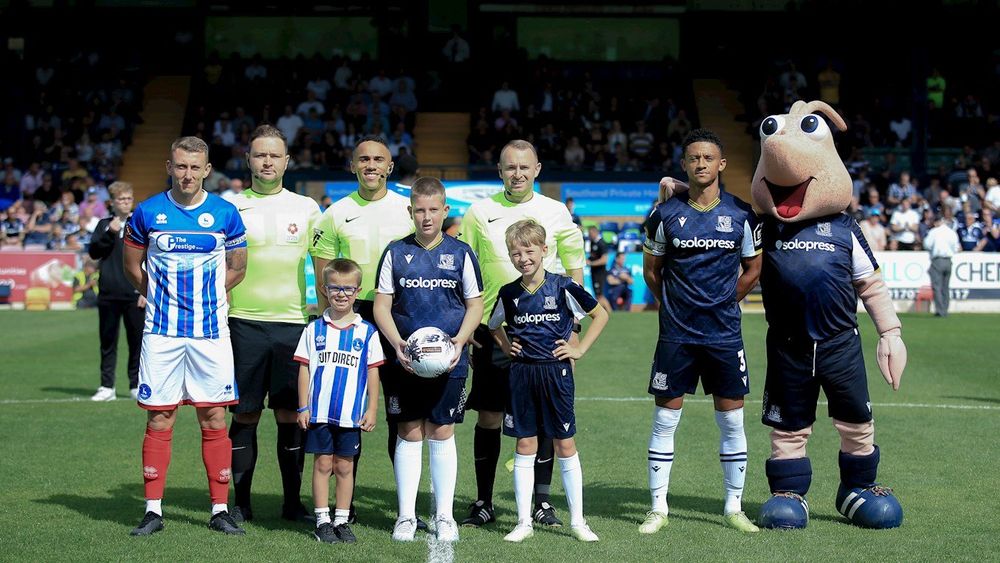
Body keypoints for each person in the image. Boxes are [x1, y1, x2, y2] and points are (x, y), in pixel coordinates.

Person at [123, 136, 248, 536]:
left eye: (195, 167)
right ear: (169, 166)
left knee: (213, 415)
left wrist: (208, 299)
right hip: (161, 333)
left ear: (207, 170)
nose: (187, 174)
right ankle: (153, 510)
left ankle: (219, 510)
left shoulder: (227, 214)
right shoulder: (147, 213)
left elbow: (238, 267)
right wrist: (161, 298)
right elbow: (132, 268)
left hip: (210, 334)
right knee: (160, 418)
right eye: (180, 166)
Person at [458, 139, 586, 528]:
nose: (517, 174)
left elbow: (575, 271)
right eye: (509, 167)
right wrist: (468, 326)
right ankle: (483, 501)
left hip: (548, 334)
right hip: (495, 331)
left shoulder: (556, 213)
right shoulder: (479, 212)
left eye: (524, 167)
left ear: (537, 169)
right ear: (499, 171)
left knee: (544, 419)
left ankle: (541, 502)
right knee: (490, 417)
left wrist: (575, 332)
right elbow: (465, 271)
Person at [640, 129, 762, 534]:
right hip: (677, 334)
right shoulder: (664, 215)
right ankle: (658, 507)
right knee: (664, 420)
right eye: (694, 158)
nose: (701, 164)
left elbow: (753, 268)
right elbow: (651, 271)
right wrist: (675, 303)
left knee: (731, 423)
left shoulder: (742, 214)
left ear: (721, 164)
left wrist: (727, 300)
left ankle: (733, 506)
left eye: (709, 158)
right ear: (684, 165)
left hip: (724, 334)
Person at [373, 177, 484, 542]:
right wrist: (398, 345)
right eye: (419, 210)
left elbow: (475, 305)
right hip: (405, 360)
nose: (426, 217)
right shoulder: (394, 252)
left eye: (433, 210)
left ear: (445, 211)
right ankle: (406, 516)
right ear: (410, 211)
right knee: (408, 430)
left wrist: (458, 343)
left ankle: (444, 515)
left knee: (442, 429)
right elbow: (382, 306)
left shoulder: (462, 253)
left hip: (449, 361)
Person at [312, 135, 414, 523]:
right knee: (346, 410)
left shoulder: (407, 207)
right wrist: (333, 323)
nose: (371, 165)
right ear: (352, 165)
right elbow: (323, 269)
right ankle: (344, 506)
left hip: (398, 316)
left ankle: (404, 506)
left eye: (379, 160)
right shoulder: (335, 213)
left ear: (390, 166)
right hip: (350, 317)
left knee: (398, 412)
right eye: (363, 159)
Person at [487, 219, 608, 542]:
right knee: (524, 444)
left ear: (544, 250)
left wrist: (578, 347)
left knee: (564, 443)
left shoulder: (563, 286)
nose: (523, 258)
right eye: (516, 253)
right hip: (522, 374)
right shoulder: (509, 293)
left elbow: (601, 314)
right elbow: (493, 324)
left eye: (529, 251)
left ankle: (578, 522)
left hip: (556, 373)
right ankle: (524, 522)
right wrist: (504, 344)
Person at [226, 125, 323, 524]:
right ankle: (240, 502)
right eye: (259, 155)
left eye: (274, 155)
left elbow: (323, 264)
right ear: (248, 160)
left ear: (286, 161)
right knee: (245, 414)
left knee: (290, 415)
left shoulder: (307, 208)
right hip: (241, 324)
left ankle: (292, 503)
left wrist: (324, 314)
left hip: (293, 325)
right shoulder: (228, 206)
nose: (266, 161)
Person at [295, 259, 383, 544]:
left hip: (350, 415)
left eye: (348, 289)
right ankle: (322, 520)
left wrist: (371, 408)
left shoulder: (367, 332)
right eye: (335, 288)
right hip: (319, 412)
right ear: (324, 289)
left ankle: (342, 520)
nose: (341, 294)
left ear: (358, 292)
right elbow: (304, 368)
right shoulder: (313, 330)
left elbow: (373, 371)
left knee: (345, 466)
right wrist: (303, 407)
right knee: (322, 464)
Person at [88, 181, 145, 401]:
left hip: (134, 294)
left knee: (137, 342)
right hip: (108, 294)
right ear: (112, 202)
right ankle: (107, 386)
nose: (125, 202)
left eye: (129, 199)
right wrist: (110, 233)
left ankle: (136, 385)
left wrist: (145, 291)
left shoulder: (138, 223)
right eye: (121, 199)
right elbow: (94, 252)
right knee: (108, 341)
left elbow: (149, 256)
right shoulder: (103, 224)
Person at [923, 215, 960, 317]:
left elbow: (927, 244)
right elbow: (956, 247)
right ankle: (945, 309)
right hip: (948, 260)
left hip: (938, 260)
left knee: (937, 287)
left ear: (936, 222)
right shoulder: (951, 232)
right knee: (945, 287)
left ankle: (940, 310)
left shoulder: (934, 232)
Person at [585, 225, 610, 310]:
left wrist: (591, 263)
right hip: (594, 272)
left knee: (600, 296)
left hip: (600, 273)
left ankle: (609, 312)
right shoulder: (592, 243)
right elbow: (593, 256)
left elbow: (604, 260)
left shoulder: (601, 243)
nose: (589, 235)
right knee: (598, 295)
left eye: (590, 233)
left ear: (595, 232)